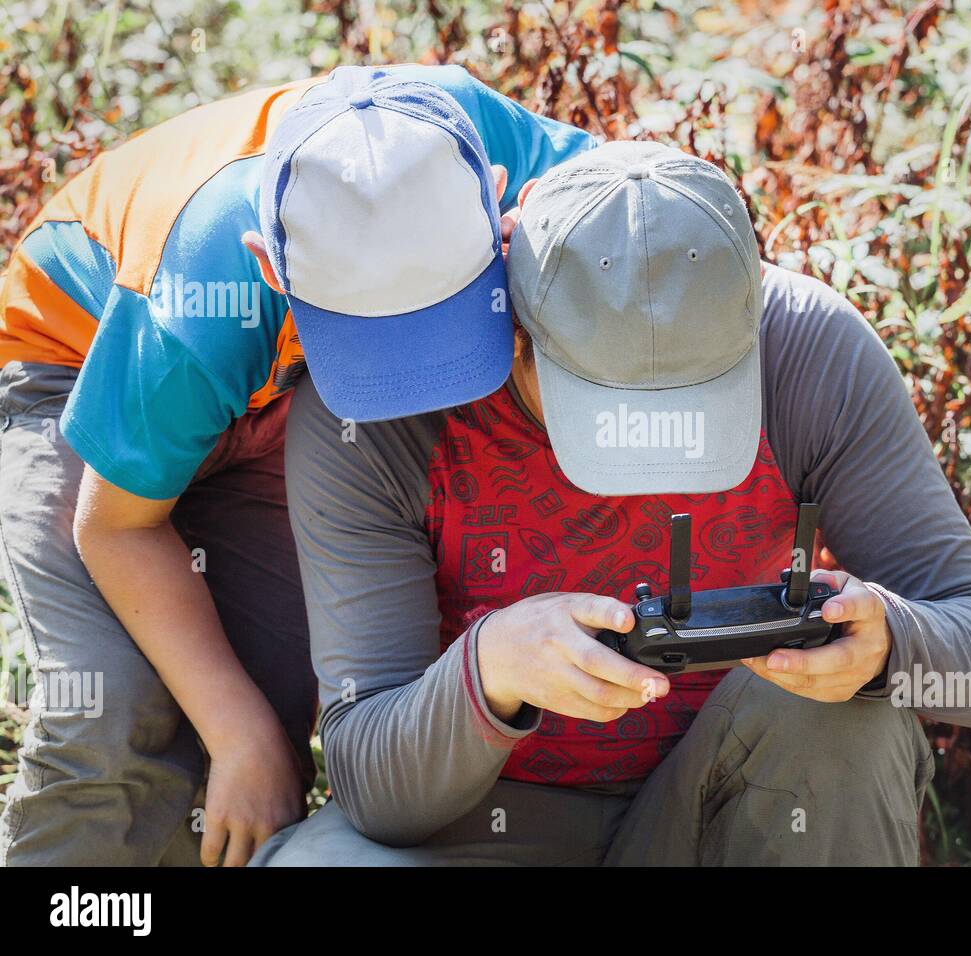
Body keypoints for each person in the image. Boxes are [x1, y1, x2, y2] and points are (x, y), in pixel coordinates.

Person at [253, 141, 971, 866]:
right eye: (607, 407)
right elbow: (374, 789)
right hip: (483, 822)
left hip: (726, 798)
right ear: (514, 331)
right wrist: (489, 670)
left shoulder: (807, 351)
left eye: (695, 400)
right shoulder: (387, 405)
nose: (652, 447)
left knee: (849, 723)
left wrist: (892, 647)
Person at [0, 64, 594, 866]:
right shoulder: (202, 292)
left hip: (275, 393)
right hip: (78, 369)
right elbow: (115, 529)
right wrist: (236, 734)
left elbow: (672, 237)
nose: (411, 378)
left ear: (495, 200)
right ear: (271, 265)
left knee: (269, 702)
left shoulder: (535, 172)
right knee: (112, 710)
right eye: (376, 343)